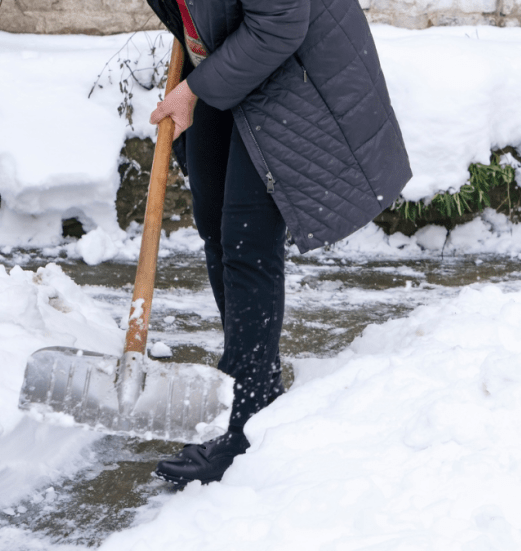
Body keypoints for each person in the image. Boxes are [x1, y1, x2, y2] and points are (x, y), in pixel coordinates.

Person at [144, 0, 411, 486]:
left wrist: (194, 89)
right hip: (227, 57)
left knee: (246, 240)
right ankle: (256, 380)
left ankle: (245, 416)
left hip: (292, 67)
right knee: (214, 224)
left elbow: (281, 23)